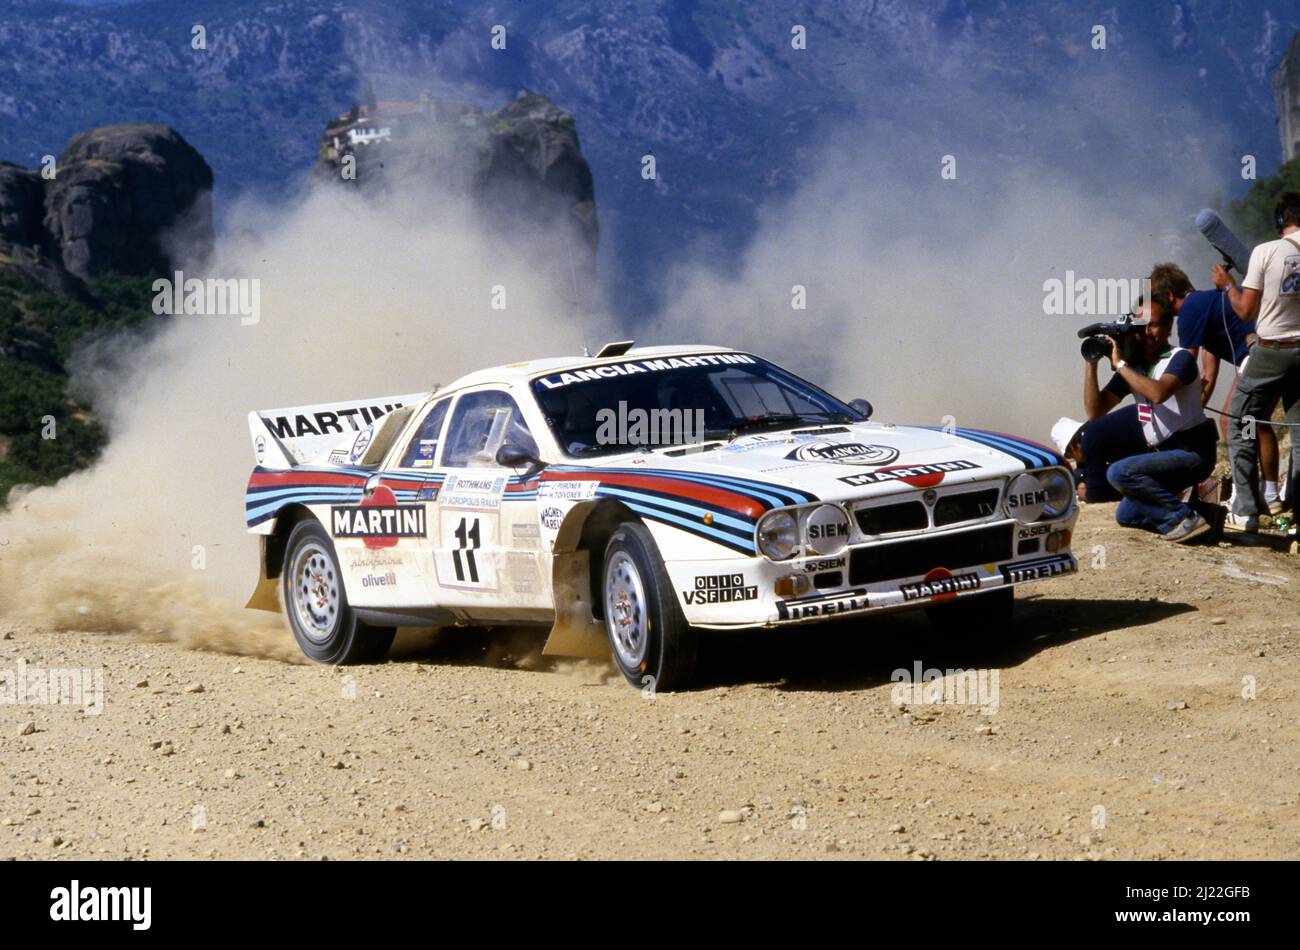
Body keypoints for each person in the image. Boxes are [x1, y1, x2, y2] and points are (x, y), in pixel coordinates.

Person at [1149, 262, 1283, 516]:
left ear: (1168, 295)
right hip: (1271, 354)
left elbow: (1184, 366)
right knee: (1256, 421)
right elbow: (1207, 375)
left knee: (1230, 421)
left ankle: (1247, 502)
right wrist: (1190, 415)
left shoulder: (1189, 311)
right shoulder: (1205, 307)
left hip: (1257, 357)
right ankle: (1269, 496)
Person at [1083, 300, 1220, 542]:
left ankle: (1183, 520)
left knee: (1118, 472)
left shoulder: (1180, 359)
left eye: (1153, 326)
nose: (1146, 333)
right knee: (1127, 516)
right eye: (1141, 326)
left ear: (1169, 327)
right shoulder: (1135, 369)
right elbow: (1095, 411)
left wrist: (1121, 365)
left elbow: (1158, 393)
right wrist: (1092, 363)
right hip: (1165, 454)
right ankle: (1207, 519)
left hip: (1193, 453)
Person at [1211, 191, 1300, 534]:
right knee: (1297, 430)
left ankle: (1246, 510)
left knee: (1241, 420)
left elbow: (1245, 310)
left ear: (1281, 222)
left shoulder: (1266, 251)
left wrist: (1227, 284)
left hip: (1272, 350)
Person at [1051, 406, 1146, 503]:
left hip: (1158, 449)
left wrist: (1082, 492)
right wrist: (1080, 477)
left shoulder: (1089, 442)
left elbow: (1097, 494)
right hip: (1153, 426)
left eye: (1071, 456)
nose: (1077, 461)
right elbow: (1082, 467)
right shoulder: (1095, 431)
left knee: (1116, 475)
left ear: (1072, 447)